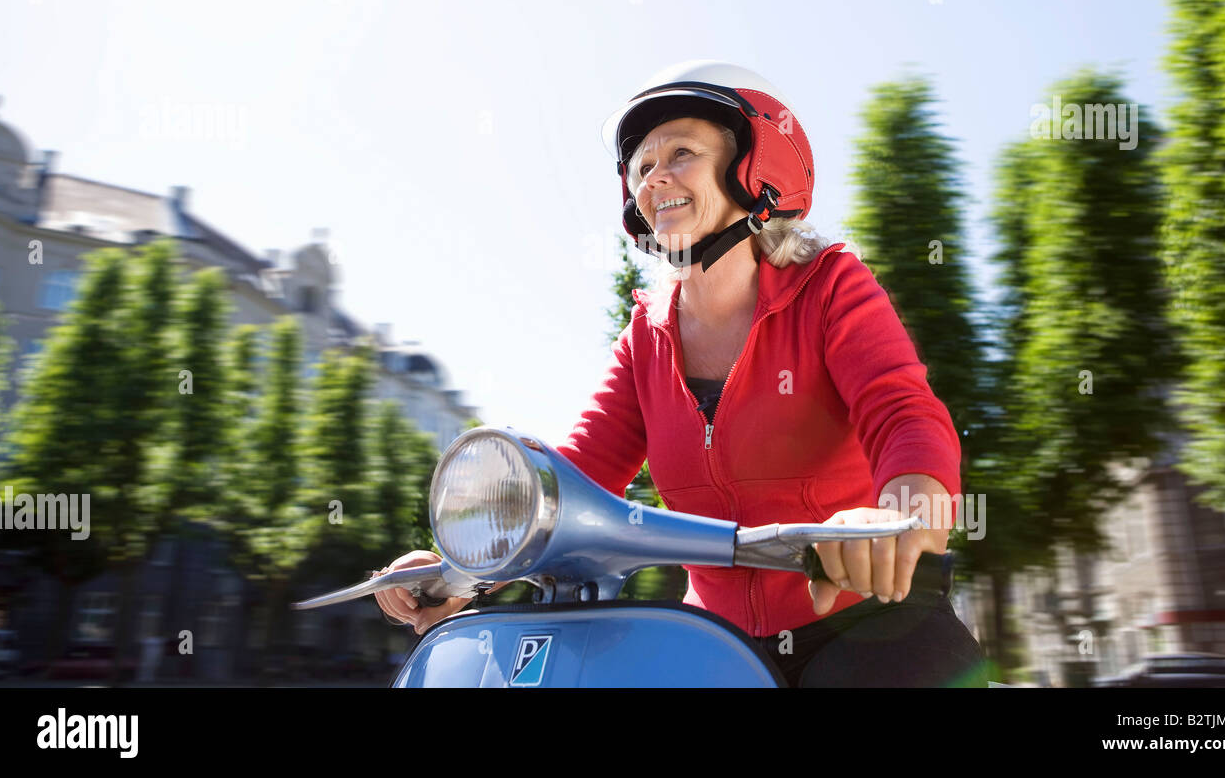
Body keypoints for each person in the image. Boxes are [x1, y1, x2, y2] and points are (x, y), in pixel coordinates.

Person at [376, 60, 986, 687]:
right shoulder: (645, 338)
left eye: (681, 153)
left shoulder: (830, 286)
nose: (654, 177)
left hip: (871, 621)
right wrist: (461, 571)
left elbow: (904, 414)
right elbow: (572, 480)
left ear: (756, 171)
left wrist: (899, 521)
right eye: (642, 166)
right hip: (714, 644)